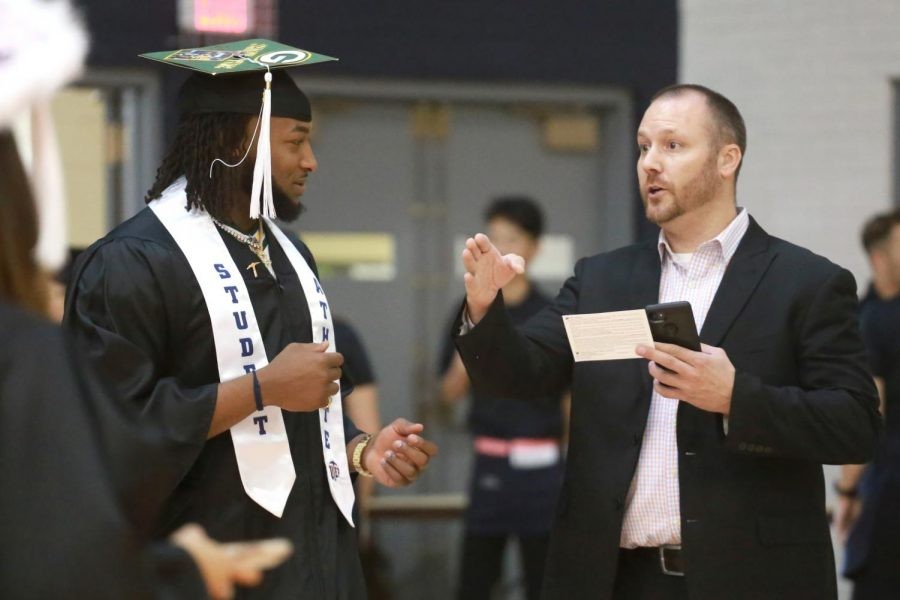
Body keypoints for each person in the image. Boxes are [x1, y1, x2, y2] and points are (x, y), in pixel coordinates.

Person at [453, 84, 881, 599]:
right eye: (643, 147)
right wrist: (483, 309)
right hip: (612, 580)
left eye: (672, 146)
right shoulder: (603, 279)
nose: (650, 163)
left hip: (751, 582)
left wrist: (735, 397)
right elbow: (519, 374)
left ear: (728, 159)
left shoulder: (806, 283)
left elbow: (855, 425)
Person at [64, 39, 437, 599]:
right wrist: (261, 389)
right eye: (297, 141)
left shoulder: (290, 256)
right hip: (208, 562)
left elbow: (314, 402)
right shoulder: (134, 261)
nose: (310, 161)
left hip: (317, 557)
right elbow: (111, 425)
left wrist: (363, 449)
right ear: (241, 140)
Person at [439, 197, 566, 600]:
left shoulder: (552, 312)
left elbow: (570, 398)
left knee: (544, 582)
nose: (500, 246)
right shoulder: (467, 310)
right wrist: (476, 334)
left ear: (534, 247)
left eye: (511, 238)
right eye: (493, 238)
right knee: (474, 581)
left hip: (544, 467)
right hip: (490, 463)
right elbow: (446, 394)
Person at [836, 210, 900, 599]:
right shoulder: (870, 319)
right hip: (889, 486)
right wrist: (848, 491)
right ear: (879, 258)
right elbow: (867, 411)